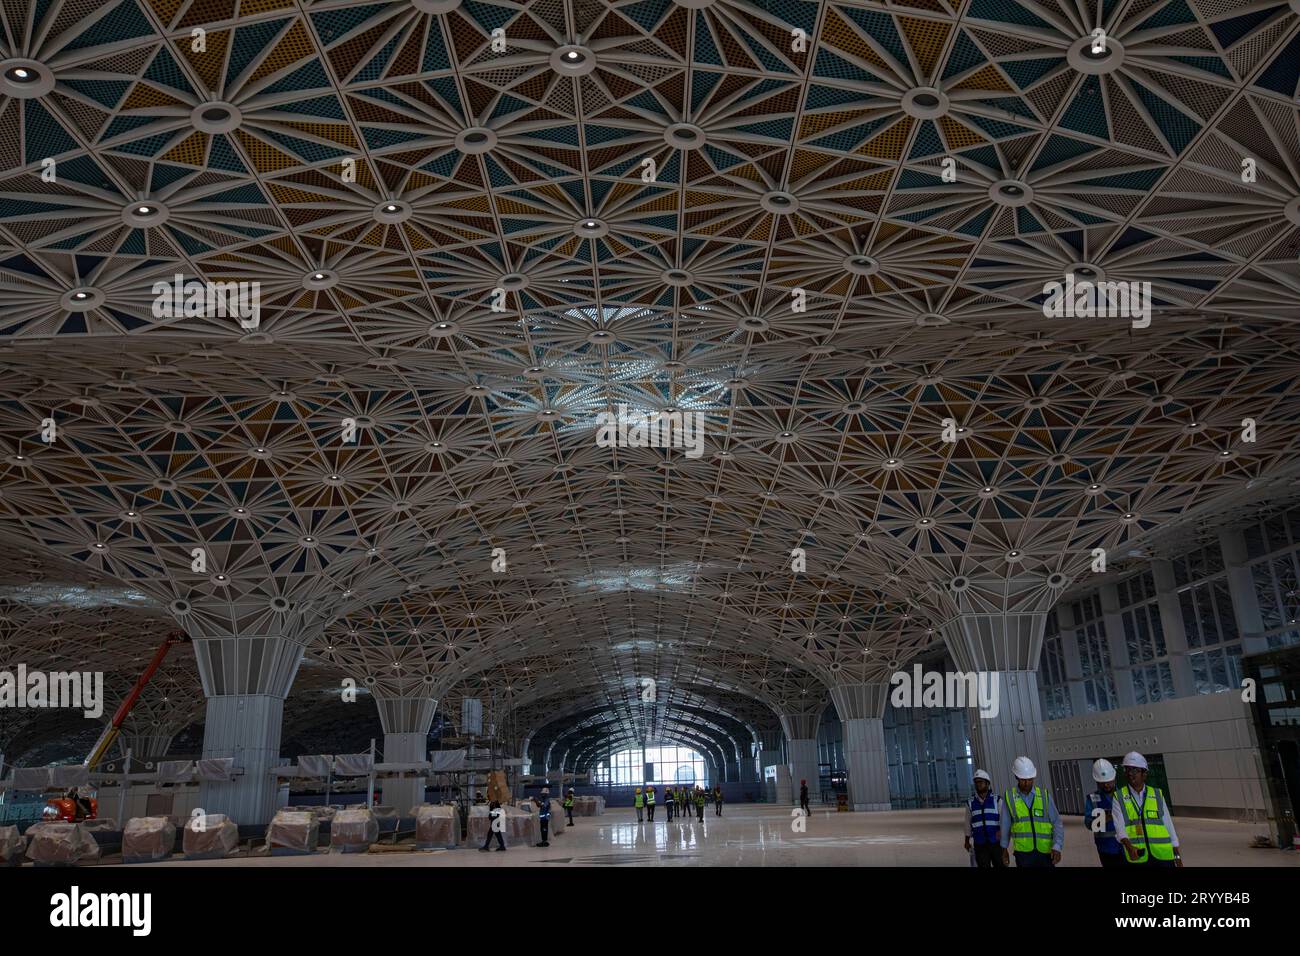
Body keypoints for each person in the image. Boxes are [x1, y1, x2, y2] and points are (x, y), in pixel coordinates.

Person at [1114, 752, 1182, 867]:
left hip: (1163, 855)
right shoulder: (1119, 796)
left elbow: (1168, 825)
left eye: (1135, 770)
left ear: (1144, 773)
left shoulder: (1157, 794)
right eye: (1127, 770)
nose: (1130, 773)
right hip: (1138, 855)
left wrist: (1177, 856)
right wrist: (1129, 847)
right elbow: (1119, 828)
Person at [999, 756, 1062, 868]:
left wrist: (1057, 846)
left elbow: (1056, 822)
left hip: (1046, 852)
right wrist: (1004, 849)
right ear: (1016, 777)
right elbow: (1005, 825)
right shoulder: (1009, 797)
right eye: (1023, 780)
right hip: (1023, 854)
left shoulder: (1044, 796)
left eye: (1030, 779)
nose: (1027, 783)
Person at [1083, 759, 1124, 868]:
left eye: (1109, 782)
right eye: (1102, 783)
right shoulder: (1092, 799)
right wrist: (1106, 818)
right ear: (1096, 781)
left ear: (1114, 778)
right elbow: (1089, 824)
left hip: (1127, 847)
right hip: (1106, 849)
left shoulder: (1125, 796)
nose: (1106, 785)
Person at [964, 769, 1003, 868]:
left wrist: (1004, 838)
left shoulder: (997, 800)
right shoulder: (970, 803)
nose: (978, 784)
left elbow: (1004, 821)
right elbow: (967, 823)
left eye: (981, 782)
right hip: (980, 843)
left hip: (996, 843)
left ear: (987, 783)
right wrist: (967, 841)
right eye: (976, 782)